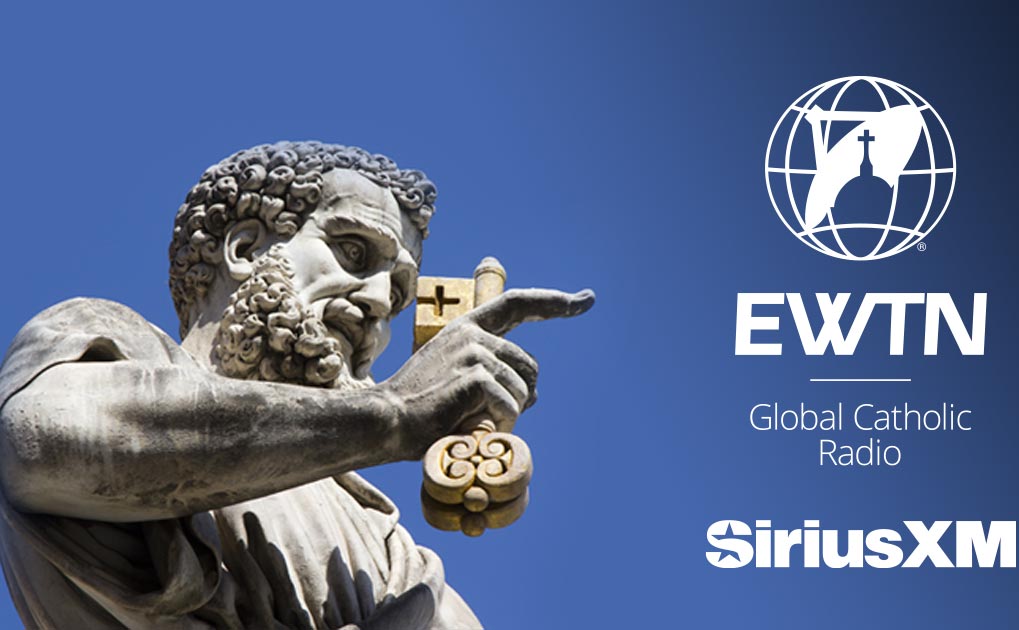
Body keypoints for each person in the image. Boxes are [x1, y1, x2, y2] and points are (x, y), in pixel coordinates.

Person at [0, 141, 594, 629]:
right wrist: (394, 416)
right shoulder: (105, 345)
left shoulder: (387, 546)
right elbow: (37, 441)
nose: (377, 302)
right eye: (353, 252)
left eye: (398, 294)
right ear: (244, 248)